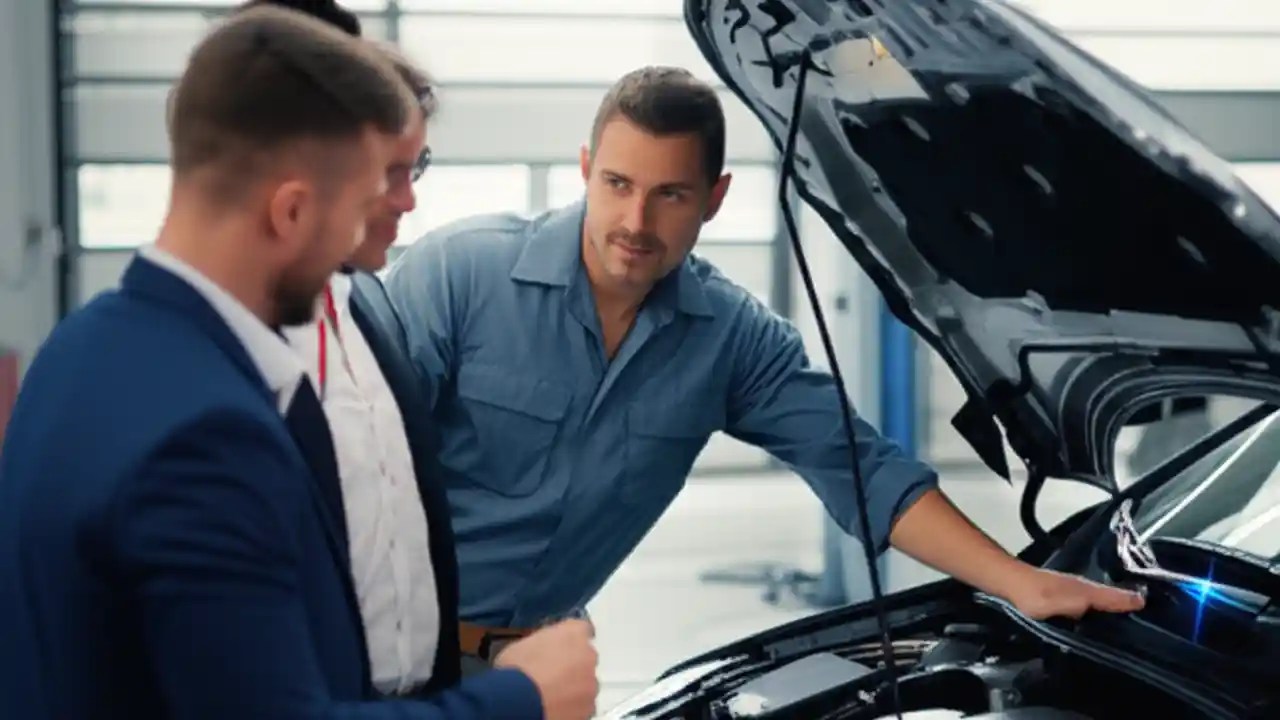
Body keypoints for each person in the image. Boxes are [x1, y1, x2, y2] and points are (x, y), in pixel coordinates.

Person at [381, 65, 1147, 671]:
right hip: (389, 650)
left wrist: (1019, 581)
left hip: (542, 671)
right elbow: (351, 464)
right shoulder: (460, 275)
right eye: (617, 185)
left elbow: (863, 471)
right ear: (586, 170)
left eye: (670, 194)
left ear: (714, 198)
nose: (635, 222)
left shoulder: (732, 340)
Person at [0, 8, 587, 720]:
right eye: (361, 205)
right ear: (291, 213)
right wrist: (524, 696)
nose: (362, 238)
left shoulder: (75, 352)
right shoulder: (208, 435)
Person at [237, 0, 598, 709]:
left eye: (417, 166)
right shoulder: (223, 356)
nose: (407, 200)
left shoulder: (372, 303)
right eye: (390, 170)